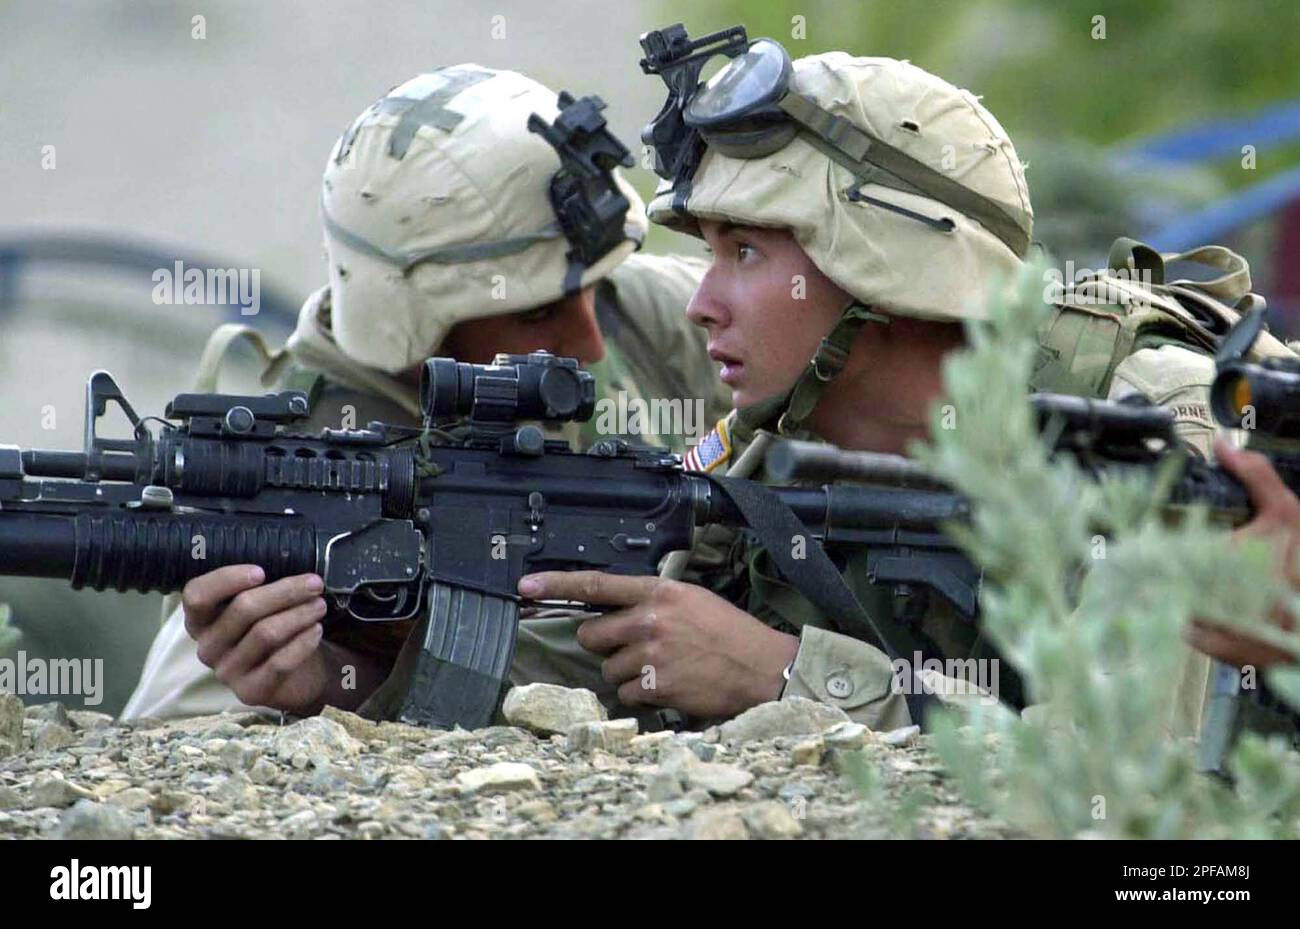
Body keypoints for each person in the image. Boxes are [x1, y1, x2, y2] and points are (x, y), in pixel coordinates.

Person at [516, 32, 1296, 735]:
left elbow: (1122, 770)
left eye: (745, 253)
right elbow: (593, 650)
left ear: (884, 263)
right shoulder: (767, 445)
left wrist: (786, 677)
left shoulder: (1163, 424)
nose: (700, 304)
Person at [120, 64, 730, 722]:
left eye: (591, 287)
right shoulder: (290, 483)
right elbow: (173, 733)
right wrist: (327, 686)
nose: (590, 344)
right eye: (536, 312)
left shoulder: (649, 314)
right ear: (415, 330)